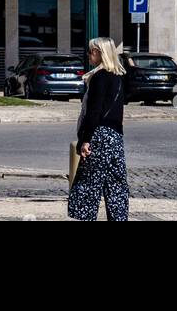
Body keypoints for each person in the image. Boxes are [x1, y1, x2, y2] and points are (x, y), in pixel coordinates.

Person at [67, 36, 129, 221]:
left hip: (99, 136)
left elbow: (94, 111)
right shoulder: (118, 77)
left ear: (100, 53)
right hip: (116, 138)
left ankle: (85, 218)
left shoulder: (99, 77)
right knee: (116, 185)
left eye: (91, 51)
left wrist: (85, 139)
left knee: (88, 184)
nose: (88, 55)